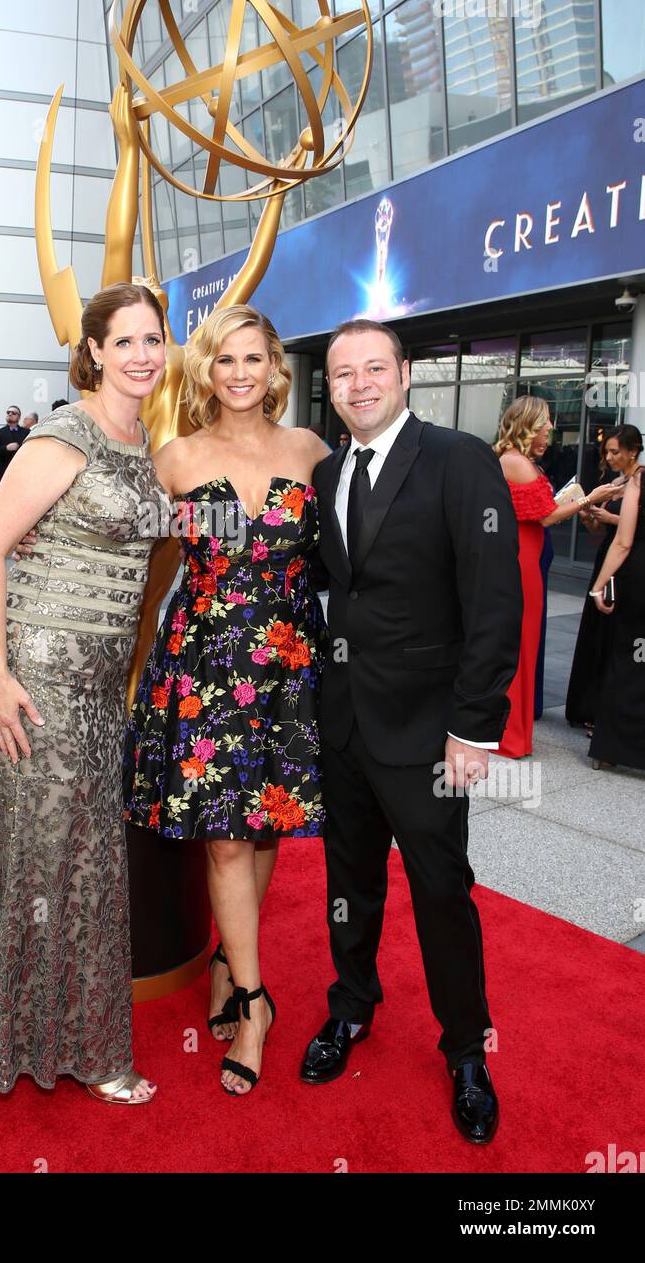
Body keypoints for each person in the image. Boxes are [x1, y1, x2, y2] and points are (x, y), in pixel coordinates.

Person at [300, 319, 523, 1146]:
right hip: (347, 725)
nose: (358, 384)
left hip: (431, 734)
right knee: (348, 884)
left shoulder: (459, 460)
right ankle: (351, 1006)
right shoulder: (327, 474)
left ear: (404, 375)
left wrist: (474, 730)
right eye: (343, 372)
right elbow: (333, 585)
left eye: (373, 368)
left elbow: (496, 602)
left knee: (441, 893)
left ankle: (467, 1050)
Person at [0, 281, 170, 1104]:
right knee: (56, 865)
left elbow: (158, 529)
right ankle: (69, 1046)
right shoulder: (65, 435)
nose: (142, 355)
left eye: (153, 340)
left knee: (84, 859)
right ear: (94, 352)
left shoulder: (139, 438)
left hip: (99, 687)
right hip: (38, 681)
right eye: (125, 342)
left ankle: (58, 1037)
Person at [123, 304, 329, 1097]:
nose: (240, 374)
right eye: (224, 360)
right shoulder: (174, 458)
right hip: (203, 662)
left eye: (254, 359)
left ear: (276, 367)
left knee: (265, 818)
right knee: (224, 839)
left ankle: (222, 960)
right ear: (205, 370)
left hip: (285, 664)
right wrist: (132, 667)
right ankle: (254, 1000)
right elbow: (140, 571)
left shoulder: (313, 453)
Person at [494, 397, 614, 758]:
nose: (549, 431)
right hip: (521, 562)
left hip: (527, 558)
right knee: (521, 645)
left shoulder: (518, 460)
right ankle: (509, 736)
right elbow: (546, 516)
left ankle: (512, 732)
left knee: (524, 644)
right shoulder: (514, 462)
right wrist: (590, 497)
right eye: (544, 425)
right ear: (527, 425)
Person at [566, 424, 643, 733]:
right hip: (607, 559)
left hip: (630, 565)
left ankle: (605, 715)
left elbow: (633, 534)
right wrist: (589, 517)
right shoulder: (615, 484)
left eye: (615, 451)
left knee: (616, 638)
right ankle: (589, 706)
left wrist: (613, 518)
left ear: (632, 451)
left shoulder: (640, 482)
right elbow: (602, 535)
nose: (609, 457)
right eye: (606, 452)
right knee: (597, 635)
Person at [589, 457, 645, 770]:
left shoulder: (640, 480)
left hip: (638, 579)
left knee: (627, 659)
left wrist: (599, 585)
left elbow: (623, 541)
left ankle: (613, 749)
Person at [0, 404, 29, 487]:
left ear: (19, 417)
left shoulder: (26, 432)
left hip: (20, 472)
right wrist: (5, 448)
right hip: (3, 472)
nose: (10, 414)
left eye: (13, 413)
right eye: (8, 412)